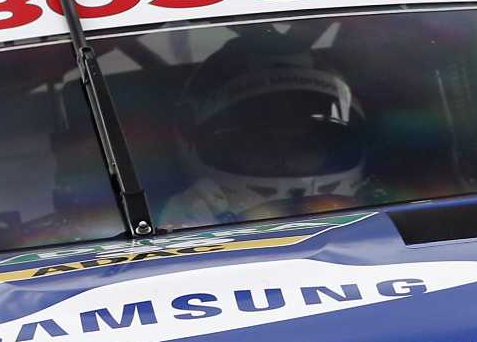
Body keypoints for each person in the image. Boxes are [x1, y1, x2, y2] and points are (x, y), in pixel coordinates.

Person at [157, 51, 371, 228]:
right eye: (261, 149)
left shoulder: (381, 215)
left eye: (303, 149)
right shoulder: (186, 221)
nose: (286, 161)